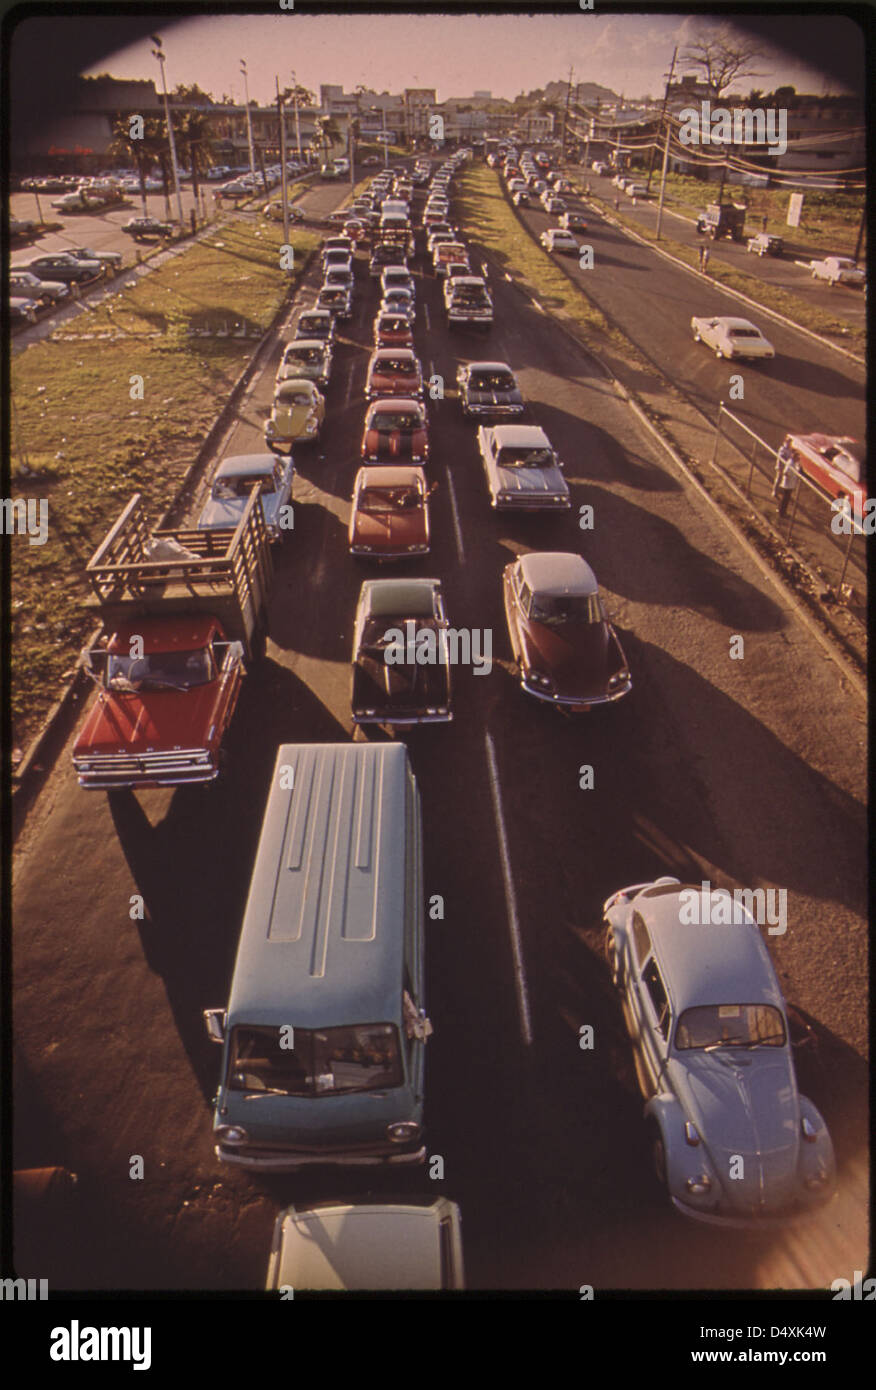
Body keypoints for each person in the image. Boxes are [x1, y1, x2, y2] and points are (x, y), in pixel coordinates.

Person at [773, 441, 798, 518]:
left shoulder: (793, 463)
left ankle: (780, 510)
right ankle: (781, 512)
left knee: (785, 499)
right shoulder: (791, 463)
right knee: (785, 499)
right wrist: (788, 478)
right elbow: (786, 472)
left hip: (790, 484)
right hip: (788, 484)